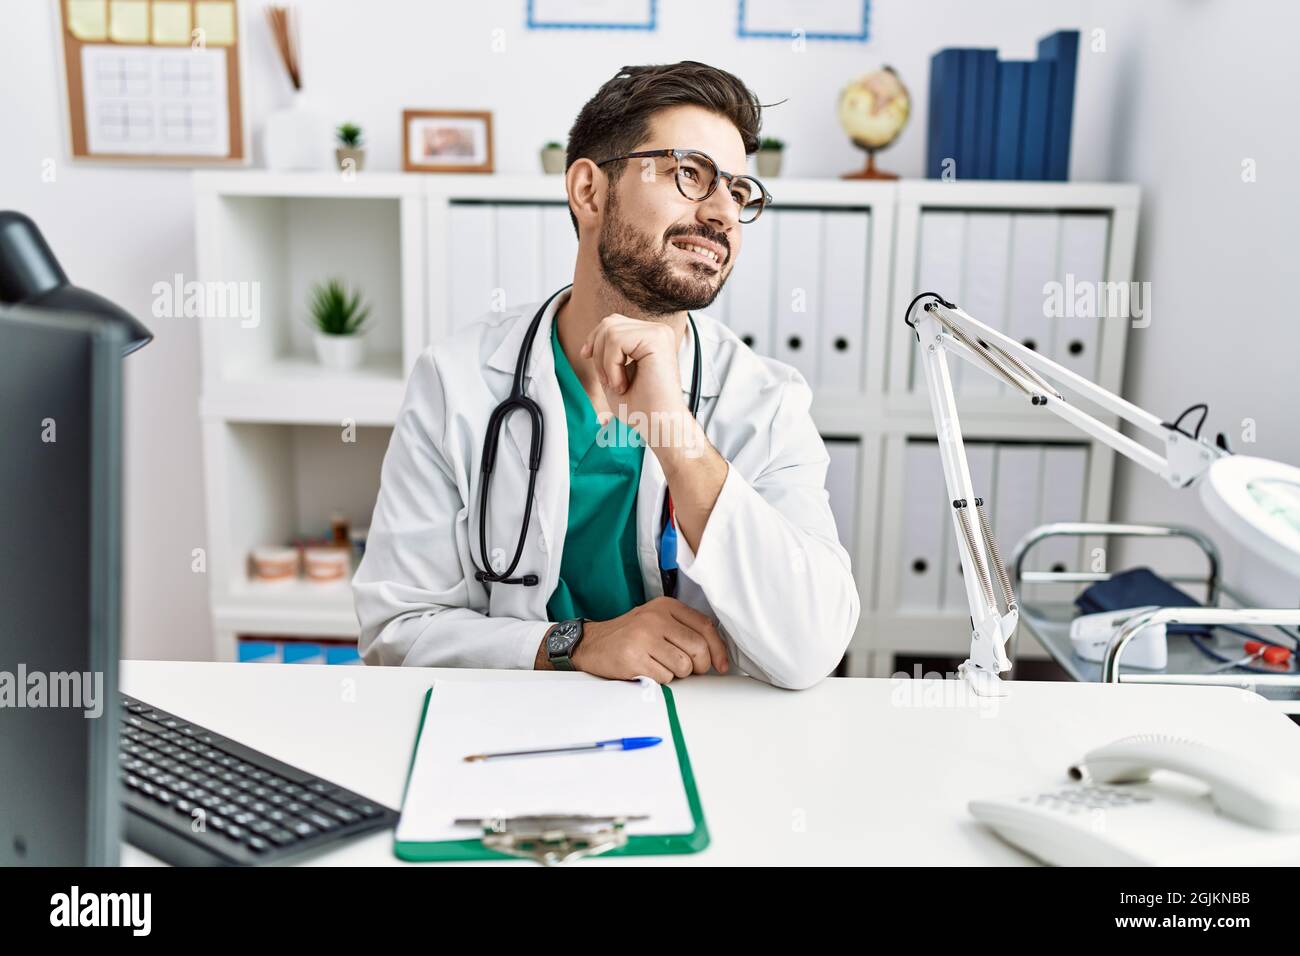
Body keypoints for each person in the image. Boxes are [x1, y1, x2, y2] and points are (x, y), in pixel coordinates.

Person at [353, 61, 859, 689]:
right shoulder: (455, 383)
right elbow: (396, 631)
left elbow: (812, 647)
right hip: (503, 728)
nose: (725, 213)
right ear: (589, 191)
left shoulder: (766, 402)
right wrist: (576, 645)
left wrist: (676, 433)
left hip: (702, 736)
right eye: (690, 174)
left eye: (739, 192)